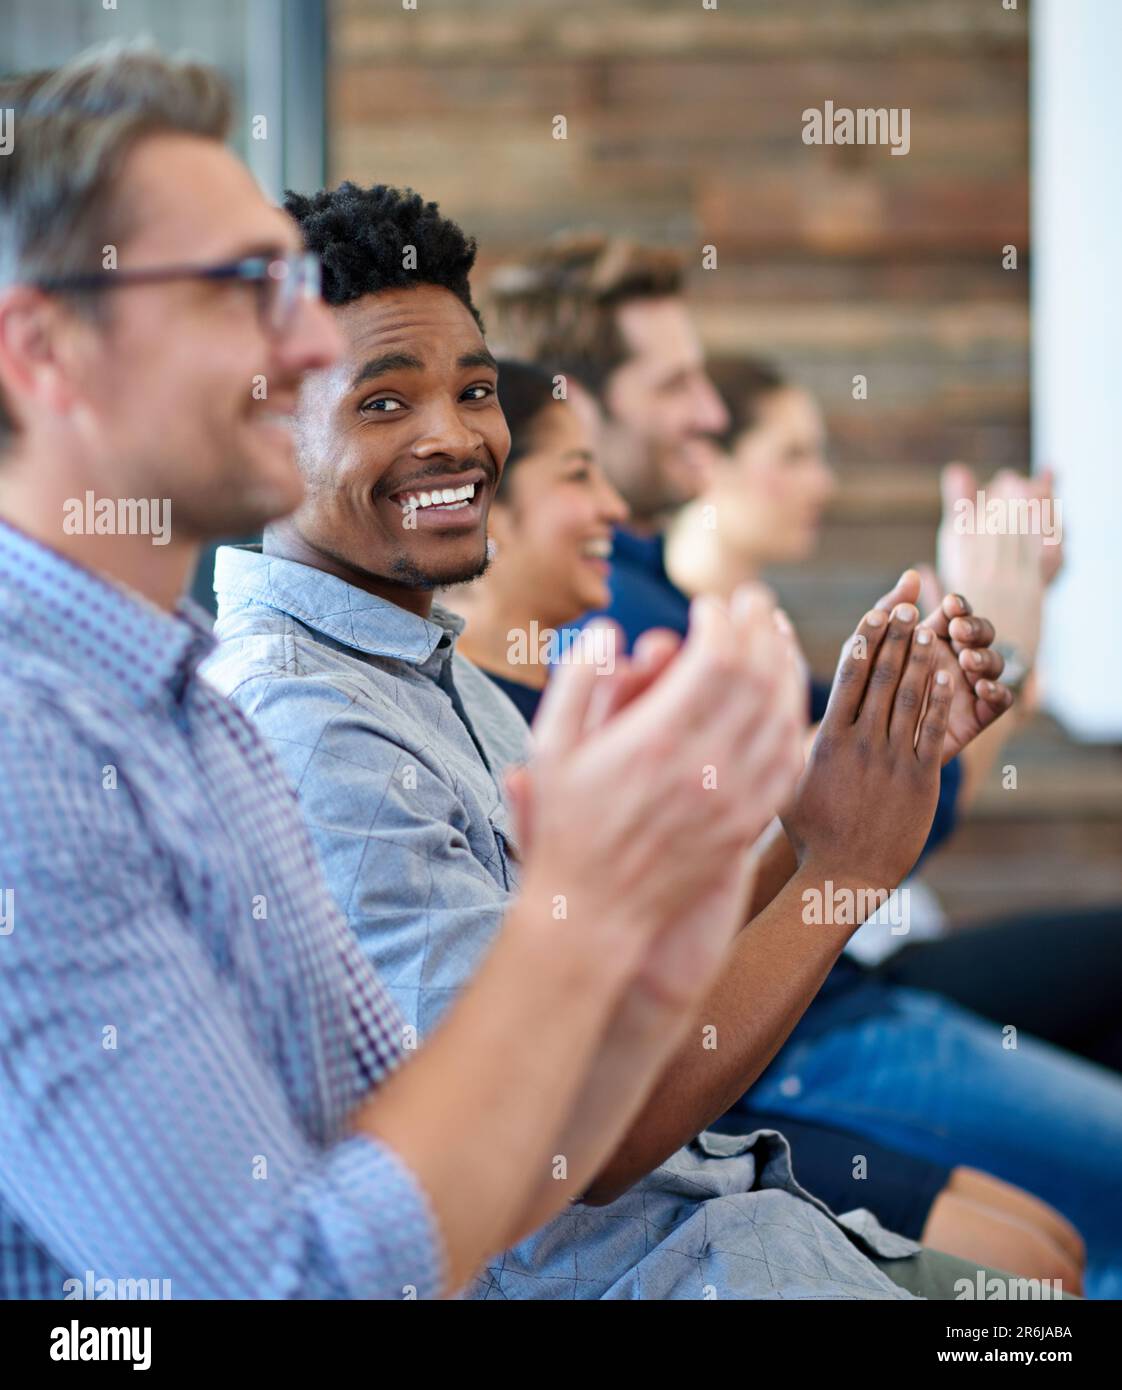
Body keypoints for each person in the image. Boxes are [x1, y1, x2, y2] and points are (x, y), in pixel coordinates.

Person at [0, 43, 813, 1299]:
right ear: (44, 351)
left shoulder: (187, 715)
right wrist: (597, 918)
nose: (299, 347)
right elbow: (297, 1284)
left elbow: (486, 1156)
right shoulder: (31, 759)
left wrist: (685, 886)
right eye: (239, 288)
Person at [205, 180, 1053, 1301]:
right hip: (639, 1269)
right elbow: (561, 1143)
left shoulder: (432, 675)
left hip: (726, 1217)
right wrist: (844, 875)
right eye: (382, 404)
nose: (454, 436)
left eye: (471, 389)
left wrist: (815, 820)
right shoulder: (310, 729)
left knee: (1041, 1291)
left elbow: (612, 999)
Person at [487, 235, 1122, 1296]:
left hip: (808, 998)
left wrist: (957, 689)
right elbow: (871, 810)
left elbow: (854, 804)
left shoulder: (644, 603)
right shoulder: (617, 624)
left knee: (1043, 1257)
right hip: (784, 1042)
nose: (705, 413)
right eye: (679, 384)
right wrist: (1000, 641)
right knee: (1026, 1273)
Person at [664, 358, 1122, 1068]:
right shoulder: (667, 636)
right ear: (706, 463)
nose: (824, 482)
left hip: (859, 963)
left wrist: (1008, 624)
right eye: (793, 455)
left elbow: (927, 774)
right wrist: (1006, 640)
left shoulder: (756, 624)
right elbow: (862, 810)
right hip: (818, 1012)